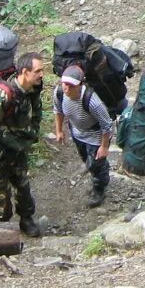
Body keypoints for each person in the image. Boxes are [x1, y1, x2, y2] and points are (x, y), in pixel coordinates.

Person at [0, 52, 46, 237]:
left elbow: (36, 114)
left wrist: (30, 135)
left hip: (16, 150)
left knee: (23, 188)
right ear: (25, 71)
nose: (42, 75)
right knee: (1, 201)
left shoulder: (32, 90)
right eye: (38, 71)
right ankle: (2, 234)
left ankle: (26, 221)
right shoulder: (2, 96)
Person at [52, 65, 112, 208]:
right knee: (86, 158)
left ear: (80, 85)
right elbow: (58, 111)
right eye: (64, 84)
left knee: (96, 164)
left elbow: (107, 125)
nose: (66, 88)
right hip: (78, 132)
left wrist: (104, 146)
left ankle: (99, 188)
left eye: (71, 85)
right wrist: (59, 130)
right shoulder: (59, 92)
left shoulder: (92, 101)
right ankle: (98, 167)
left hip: (95, 135)